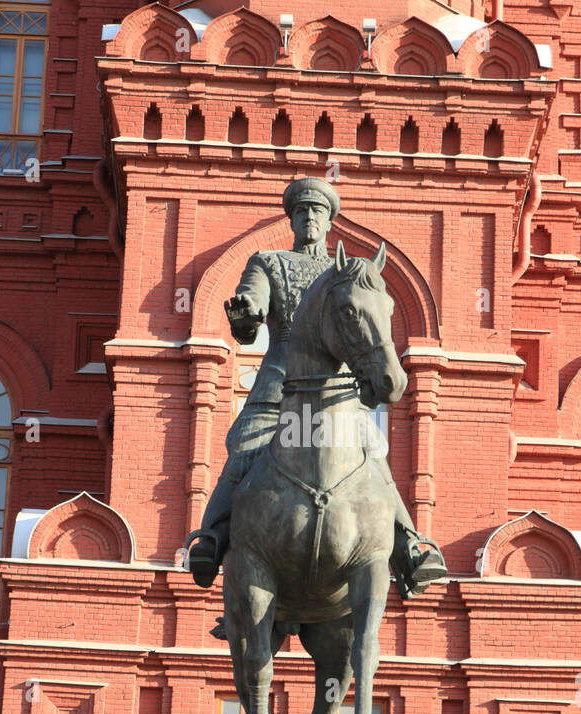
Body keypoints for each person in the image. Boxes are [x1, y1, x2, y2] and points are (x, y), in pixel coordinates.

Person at [184, 177, 447, 599]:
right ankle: (211, 540)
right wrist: (247, 314)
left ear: (329, 224)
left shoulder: (347, 273)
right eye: (302, 212)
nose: (309, 218)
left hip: (337, 395)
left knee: (374, 457)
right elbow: (251, 314)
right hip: (278, 388)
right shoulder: (268, 262)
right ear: (292, 219)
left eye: (317, 213)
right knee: (246, 451)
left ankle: (409, 547)